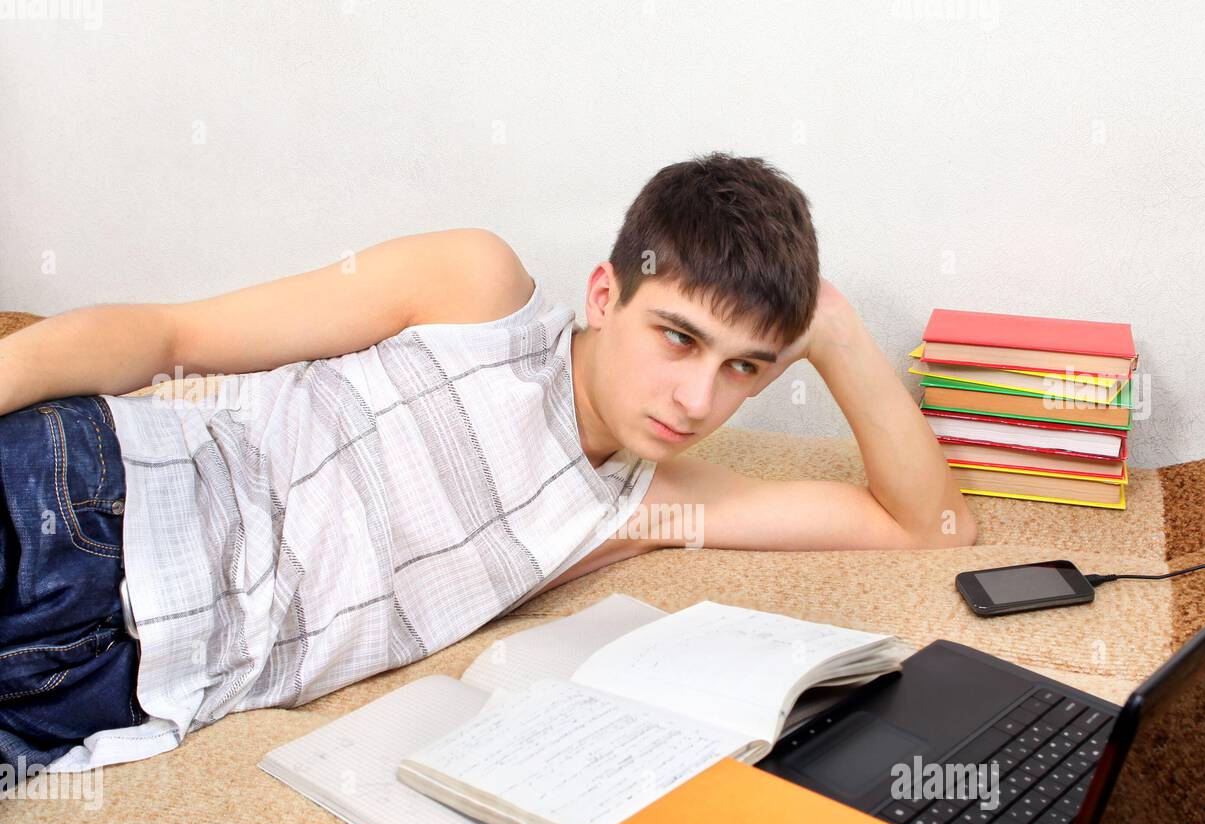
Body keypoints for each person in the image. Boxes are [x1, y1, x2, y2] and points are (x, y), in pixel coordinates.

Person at [0, 151, 976, 784]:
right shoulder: (477, 292)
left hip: (130, 687)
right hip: (98, 501)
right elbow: (176, 334)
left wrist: (837, 328)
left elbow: (925, 528)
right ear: (605, 293)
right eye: (676, 338)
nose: (697, 401)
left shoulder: (641, 507)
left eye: (742, 369)